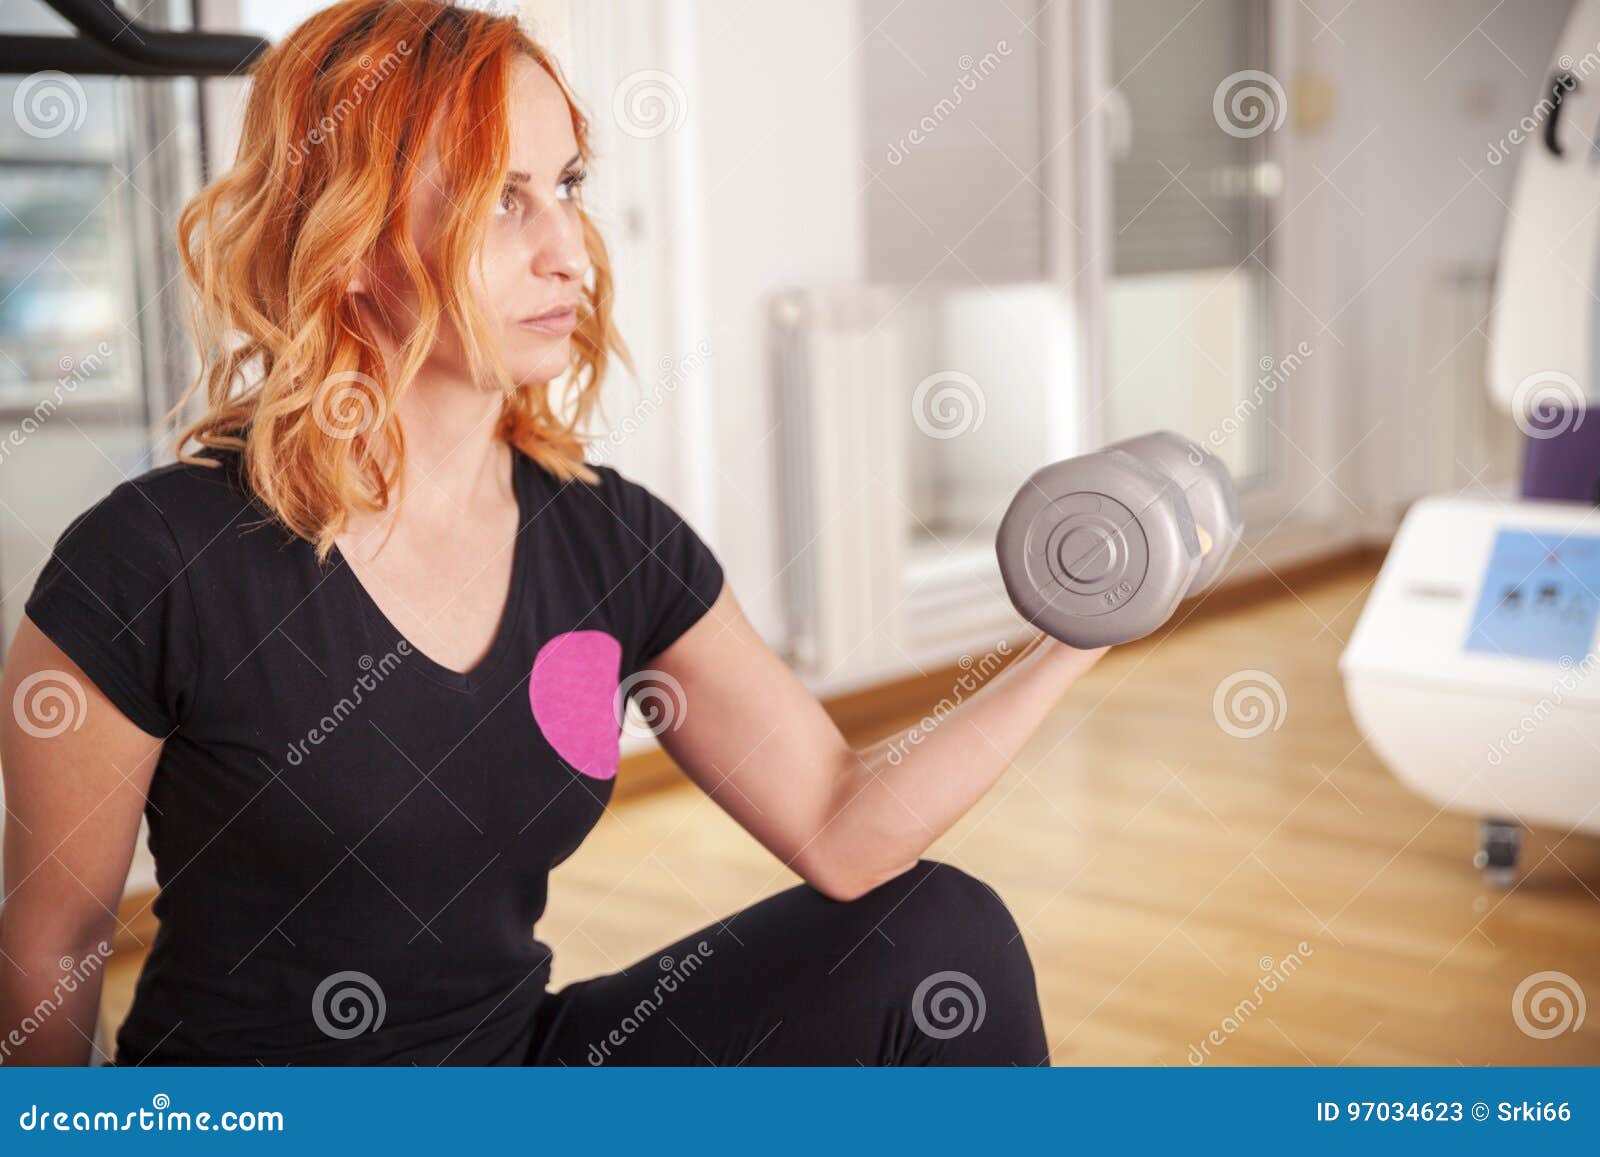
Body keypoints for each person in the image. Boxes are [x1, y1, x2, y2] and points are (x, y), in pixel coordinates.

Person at [0, 0, 1107, 1067]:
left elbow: (839, 822)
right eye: (500, 200)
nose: (569, 250)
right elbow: (49, 947)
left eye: (567, 186)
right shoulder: (156, 560)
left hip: (514, 1070)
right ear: (349, 234)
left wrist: (1080, 631)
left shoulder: (610, 540)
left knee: (939, 938)